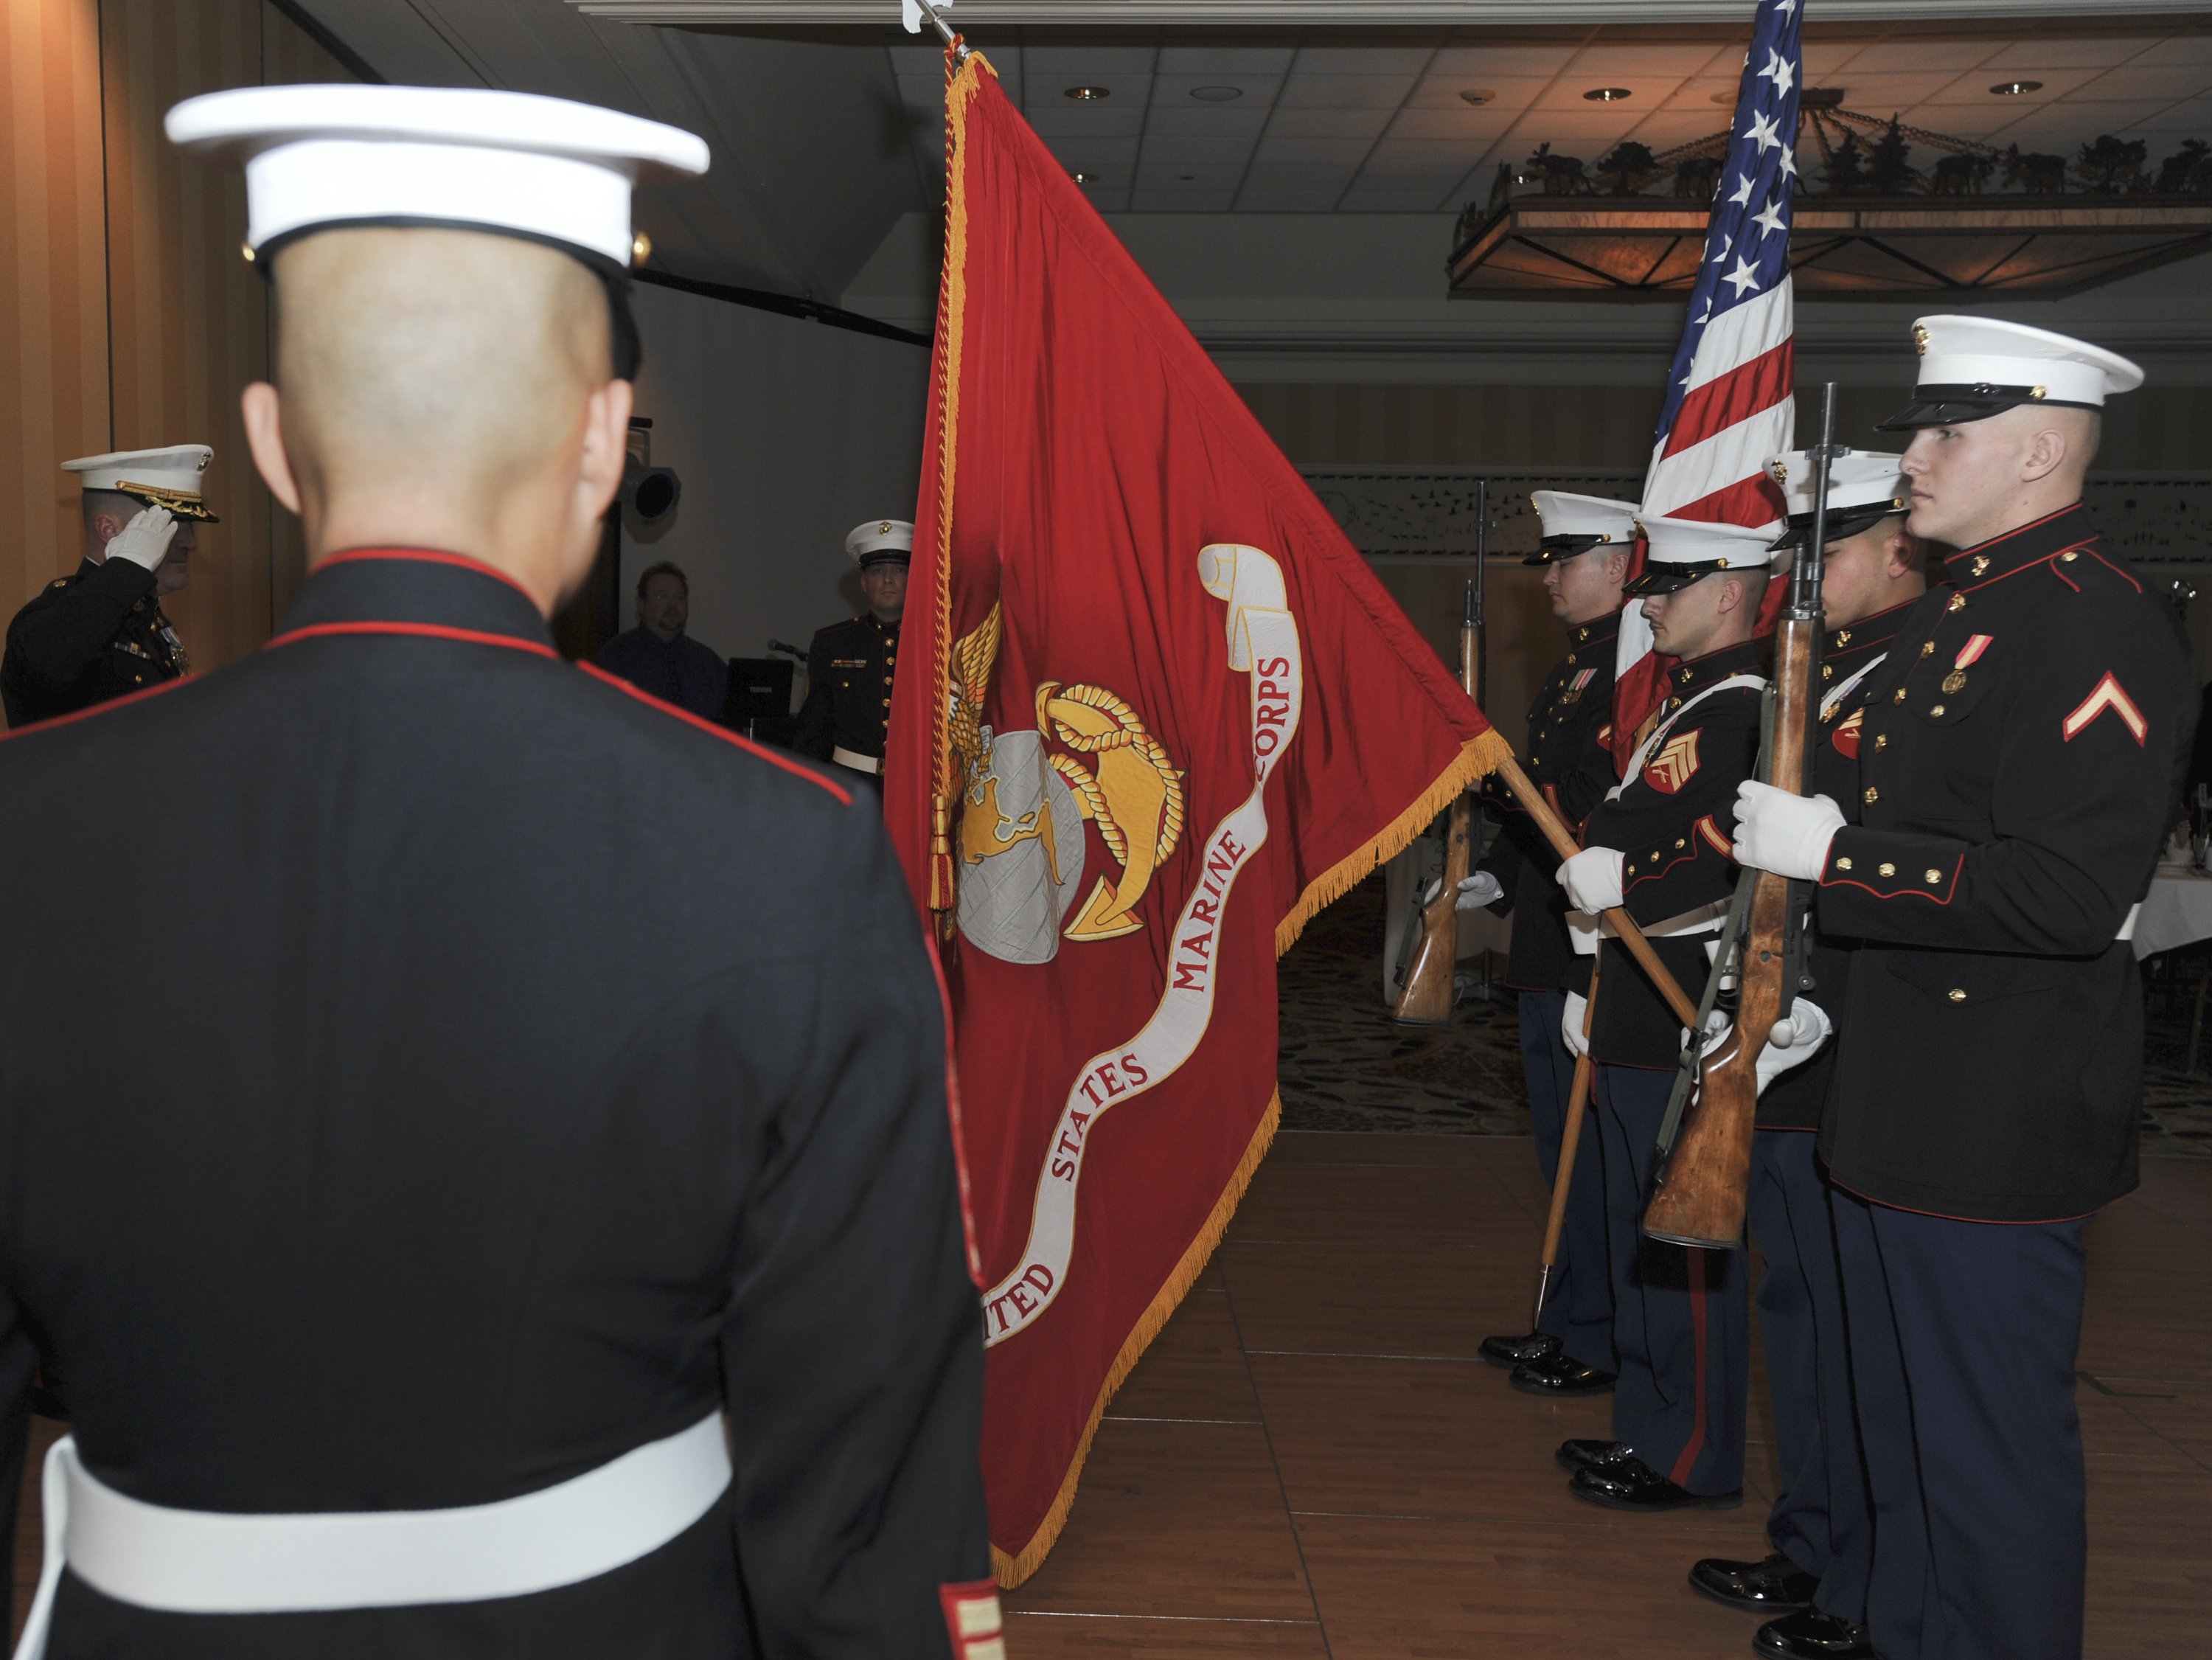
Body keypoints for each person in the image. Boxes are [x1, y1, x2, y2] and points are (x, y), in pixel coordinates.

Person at [0, 82, 993, 1659]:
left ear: (266, 441)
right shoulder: (785, 853)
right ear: (604, 444)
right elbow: (861, 1469)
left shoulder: (29, 828)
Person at [1733, 316, 2196, 1660]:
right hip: (1899, 1084)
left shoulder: (2089, 624)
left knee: (1984, 1446)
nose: (1917, 454)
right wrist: (1829, 992)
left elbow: (2065, 897)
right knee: (1903, 1416)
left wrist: (1837, 855)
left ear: (2042, 449)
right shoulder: (1967, 615)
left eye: (1948, 431)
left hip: (1996, 1110)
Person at [1686, 451, 1927, 1660]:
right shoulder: (1825, 671)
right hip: (1785, 1038)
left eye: (1828, 550)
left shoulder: (1926, 673)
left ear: (1901, 547)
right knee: (1801, 1311)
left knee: (1861, 1334)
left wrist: (1809, 994)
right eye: (1798, 552)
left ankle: (1865, 1575)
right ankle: (1817, 1535)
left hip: (1858, 1039)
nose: (1804, 577)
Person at [1550, 515, 1824, 1514]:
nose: (1648, 601)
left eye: (1669, 585)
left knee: (1685, 1223)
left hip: (1686, 992)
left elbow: (1727, 852)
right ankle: (1652, 1420)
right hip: (1636, 984)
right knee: (1641, 1220)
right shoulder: (1691, 699)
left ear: (1730, 591)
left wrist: (1622, 884)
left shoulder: (1748, 704)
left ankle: (1694, 1449)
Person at [1472, 491, 1638, 1399]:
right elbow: (1545, 810)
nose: (1548, 580)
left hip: (1589, 946)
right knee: (1558, 1148)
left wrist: (1494, 783)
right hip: (1547, 934)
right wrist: (1501, 868)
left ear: (1617, 565)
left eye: (1566, 562)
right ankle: (1570, 1317)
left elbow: (1578, 794)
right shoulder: (1579, 669)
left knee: (1592, 1153)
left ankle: (1601, 1332)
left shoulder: (1633, 673)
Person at [2, 447, 214, 729]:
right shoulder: (51, 616)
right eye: (170, 523)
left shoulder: (148, 620)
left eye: (191, 524)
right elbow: (45, 666)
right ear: (110, 531)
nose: (190, 542)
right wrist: (127, 568)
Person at [793, 519, 909, 782]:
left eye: (900, 570)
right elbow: (814, 730)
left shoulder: (939, 645)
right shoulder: (832, 642)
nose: (889, 579)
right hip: (849, 783)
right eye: (878, 571)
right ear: (864, 583)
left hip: (914, 789)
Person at [595, 560, 728, 721]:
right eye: (662, 596)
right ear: (641, 605)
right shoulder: (616, 656)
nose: (672, 605)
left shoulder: (707, 662)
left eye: (679, 597)